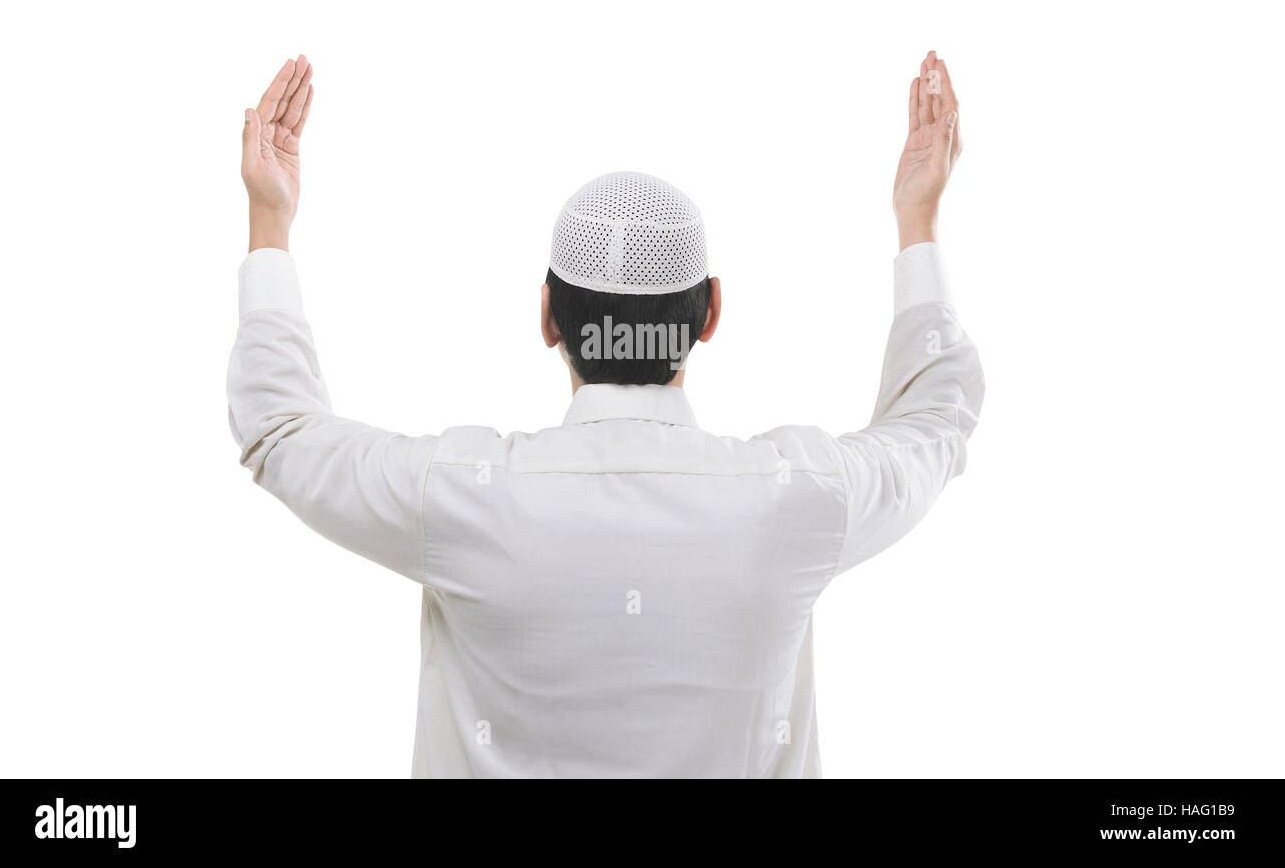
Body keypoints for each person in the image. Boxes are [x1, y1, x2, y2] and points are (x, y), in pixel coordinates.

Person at [228, 51, 984, 778]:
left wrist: (271, 218)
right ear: (711, 312)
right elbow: (935, 423)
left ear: (549, 316)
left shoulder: (461, 494)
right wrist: (918, 218)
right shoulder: (799, 495)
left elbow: (279, 431)